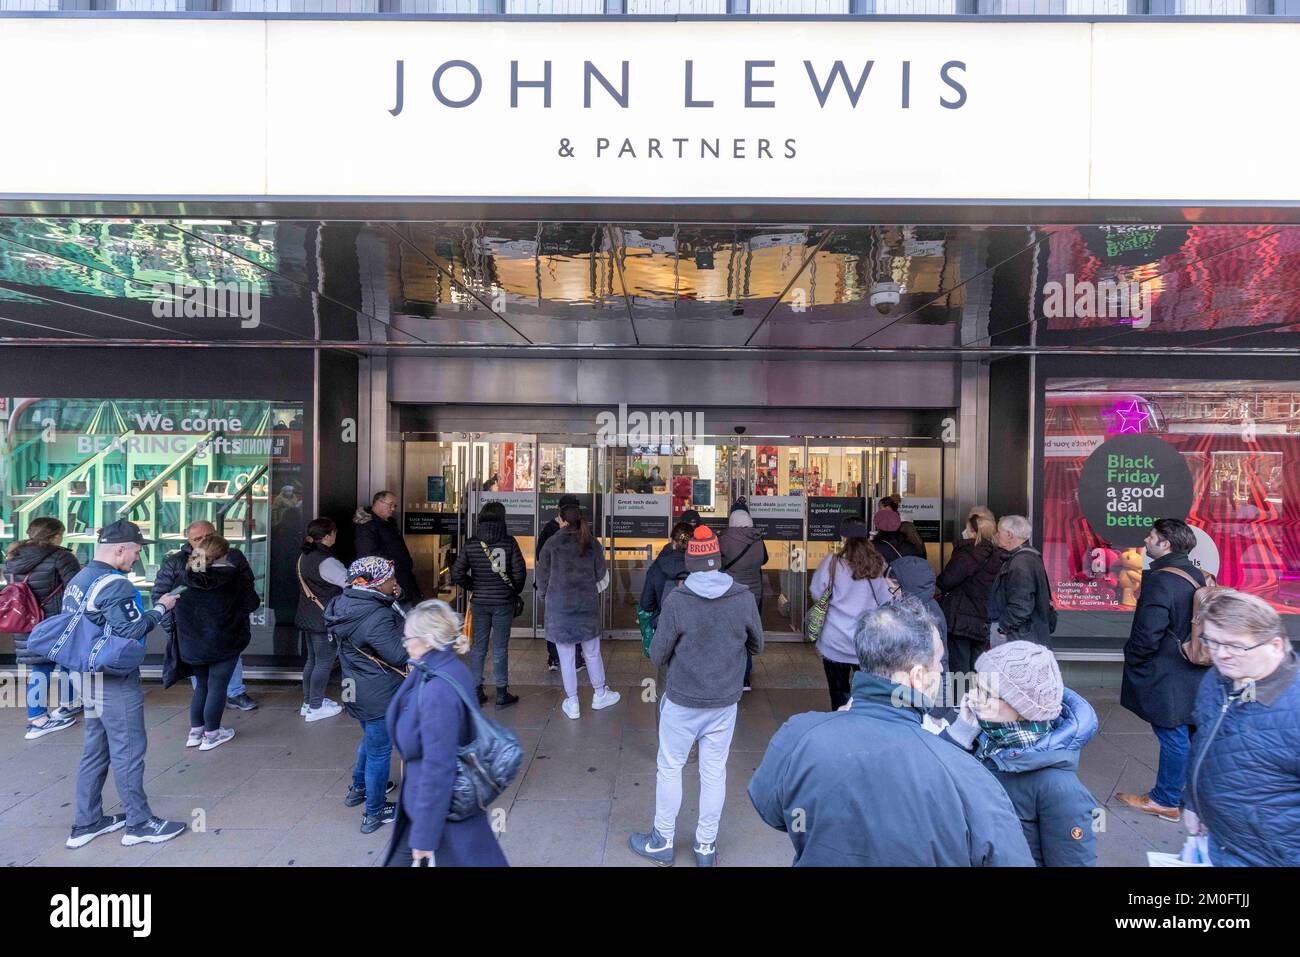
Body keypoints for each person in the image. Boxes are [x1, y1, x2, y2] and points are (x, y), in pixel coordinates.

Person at [747, 596, 1033, 866]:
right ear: (918, 677)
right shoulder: (967, 775)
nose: (943, 672)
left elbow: (771, 810)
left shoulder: (799, 734)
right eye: (939, 663)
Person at [631, 524, 764, 866]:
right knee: (714, 772)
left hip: (682, 700)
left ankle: (662, 840)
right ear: (717, 562)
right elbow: (757, 645)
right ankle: (705, 847)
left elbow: (658, 654)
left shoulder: (677, 601)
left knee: (671, 767)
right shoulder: (743, 597)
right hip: (724, 702)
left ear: (690, 562)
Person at [65, 520, 187, 849]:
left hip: (86, 675)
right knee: (129, 750)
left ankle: (87, 822)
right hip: (113, 681)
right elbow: (132, 630)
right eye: (136, 551)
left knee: (96, 749)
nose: (137, 558)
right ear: (120, 548)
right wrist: (161, 607)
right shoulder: (114, 584)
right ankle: (140, 823)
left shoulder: (79, 578)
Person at [941, 641, 1100, 866]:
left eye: (987, 693)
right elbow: (934, 780)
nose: (974, 697)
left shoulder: (1060, 788)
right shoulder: (983, 740)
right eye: (976, 685)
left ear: (1023, 708)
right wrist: (959, 734)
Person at [383, 600, 509, 868]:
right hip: (429, 805)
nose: (404, 642)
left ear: (428, 640)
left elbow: (439, 765)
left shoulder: (437, 688)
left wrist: (424, 836)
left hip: (438, 808)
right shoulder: (444, 668)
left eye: (409, 637)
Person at [1182, 589, 1300, 866]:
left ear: (1276, 645)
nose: (1221, 655)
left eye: (1236, 646)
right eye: (1211, 641)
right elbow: (1203, 745)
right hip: (1217, 840)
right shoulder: (1217, 679)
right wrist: (1193, 803)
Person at [1115, 518, 1209, 822]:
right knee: (1190, 733)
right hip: (1194, 668)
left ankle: (1165, 800)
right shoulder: (1198, 574)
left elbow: (1148, 632)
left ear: (1166, 543)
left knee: (1172, 734)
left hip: (1166, 671)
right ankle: (1189, 796)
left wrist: (1135, 659)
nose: (1146, 539)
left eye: (1152, 535)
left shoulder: (1161, 580)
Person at [325, 557, 408, 834]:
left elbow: (371, 623)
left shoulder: (344, 601)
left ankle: (357, 788)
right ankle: (374, 811)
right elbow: (398, 654)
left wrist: (392, 598)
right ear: (374, 583)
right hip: (378, 690)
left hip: (355, 686)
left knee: (371, 740)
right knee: (380, 751)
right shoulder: (375, 615)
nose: (394, 582)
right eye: (389, 578)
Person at [153, 519, 259, 712]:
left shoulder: (233, 556)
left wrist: (234, 617)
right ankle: (208, 725)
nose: (203, 542)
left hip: (226, 629)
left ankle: (234, 694)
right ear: (188, 540)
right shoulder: (176, 562)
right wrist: (172, 628)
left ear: (217, 535)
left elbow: (248, 589)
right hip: (194, 632)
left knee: (227, 666)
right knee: (204, 685)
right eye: (197, 538)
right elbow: (160, 596)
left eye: (208, 537)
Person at [172, 534, 261, 752]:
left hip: (193, 642)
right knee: (218, 687)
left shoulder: (184, 577)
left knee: (202, 685)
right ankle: (212, 734)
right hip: (224, 640)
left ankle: (195, 732)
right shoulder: (233, 577)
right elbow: (252, 604)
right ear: (224, 553)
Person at [536, 503, 619, 720]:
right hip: (586, 608)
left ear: (562, 521)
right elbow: (602, 575)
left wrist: (546, 597)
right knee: (592, 653)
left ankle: (572, 702)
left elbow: (541, 579)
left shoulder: (551, 544)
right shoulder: (592, 543)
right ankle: (600, 694)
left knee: (566, 657)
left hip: (559, 609)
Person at [6, 516, 83, 739]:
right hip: (56, 620)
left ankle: (68, 704)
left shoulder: (14, 556)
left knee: (42, 667)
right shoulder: (61, 556)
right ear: (56, 535)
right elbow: (75, 588)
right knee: (53, 666)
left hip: (26, 620)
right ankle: (38, 719)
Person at [809, 519, 895, 710]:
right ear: (866, 537)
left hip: (835, 640)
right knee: (865, 693)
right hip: (866, 641)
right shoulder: (879, 564)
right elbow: (887, 601)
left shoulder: (832, 563)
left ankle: (841, 726)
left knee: (838, 692)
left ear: (844, 538)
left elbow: (816, 592)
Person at [452, 500, 527, 709]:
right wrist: (512, 591)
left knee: (478, 647)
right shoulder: (509, 542)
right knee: (501, 647)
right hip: (503, 602)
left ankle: (476, 690)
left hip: (480, 602)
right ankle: (502, 693)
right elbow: (520, 573)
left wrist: (474, 586)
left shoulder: (472, 543)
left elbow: (456, 573)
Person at [937, 511, 1004, 677]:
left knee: (960, 668)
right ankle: (978, 700)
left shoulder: (967, 553)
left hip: (961, 618)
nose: (964, 532)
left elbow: (946, 580)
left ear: (974, 532)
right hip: (984, 618)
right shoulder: (999, 555)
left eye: (966, 528)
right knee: (979, 666)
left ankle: (960, 701)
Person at [294, 517, 347, 721]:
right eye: (334, 533)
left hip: (308, 615)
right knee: (324, 662)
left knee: (313, 660)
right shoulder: (326, 561)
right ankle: (316, 707)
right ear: (327, 536)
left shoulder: (304, 557)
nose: (335, 536)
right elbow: (348, 582)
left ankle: (308, 702)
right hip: (323, 617)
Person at [719, 497, 766, 691]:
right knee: (747, 635)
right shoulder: (758, 539)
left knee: (729, 635)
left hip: (730, 593)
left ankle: (729, 675)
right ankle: (745, 679)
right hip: (753, 594)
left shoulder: (725, 539)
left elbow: (718, 563)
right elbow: (764, 560)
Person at [987, 515, 1054, 646]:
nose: (996, 535)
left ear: (1009, 535)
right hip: (1024, 634)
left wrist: (1002, 628)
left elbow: (1021, 606)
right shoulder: (1027, 557)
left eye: (999, 531)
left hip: (1019, 636)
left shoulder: (1021, 563)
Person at [537, 494, 583, 673]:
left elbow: (540, 556)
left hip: (555, 587)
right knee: (572, 622)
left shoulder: (550, 528)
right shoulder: (578, 529)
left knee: (555, 622)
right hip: (572, 586)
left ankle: (558, 658)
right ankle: (565, 658)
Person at [353, 490, 422, 607]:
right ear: (379, 502)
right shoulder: (367, 526)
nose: (393, 508)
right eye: (390, 504)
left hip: (403, 580)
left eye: (394, 505)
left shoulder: (389, 523)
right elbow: (369, 557)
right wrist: (395, 566)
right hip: (389, 585)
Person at [640, 522, 692, 633]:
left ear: (672, 542)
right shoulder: (699, 567)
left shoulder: (657, 567)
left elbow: (646, 604)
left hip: (664, 627)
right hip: (692, 629)